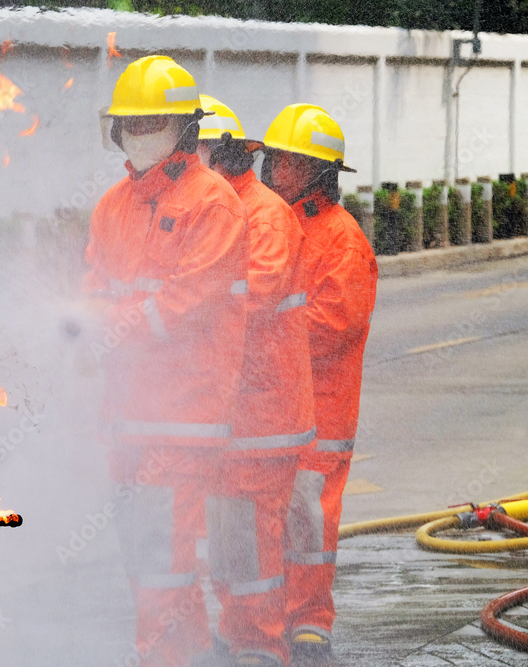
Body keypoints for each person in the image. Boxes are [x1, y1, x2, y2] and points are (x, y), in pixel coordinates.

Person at [84, 56, 250, 666]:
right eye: (131, 122)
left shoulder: (214, 202)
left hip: (185, 410)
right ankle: (190, 648)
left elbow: (187, 301)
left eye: (152, 120)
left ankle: (160, 657)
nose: (139, 132)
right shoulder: (112, 205)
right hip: (126, 411)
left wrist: (109, 329)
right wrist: (79, 327)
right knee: (142, 547)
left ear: (183, 127)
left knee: (163, 545)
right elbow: (94, 285)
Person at [197, 96, 317, 667]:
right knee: (230, 534)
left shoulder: (264, 214)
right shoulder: (217, 207)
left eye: (198, 152)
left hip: (265, 414)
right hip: (232, 413)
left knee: (255, 535)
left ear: (228, 156)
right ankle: (241, 630)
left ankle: (263, 644)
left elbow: (255, 297)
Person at [262, 104, 378, 666]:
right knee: (267, 518)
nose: (273, 168)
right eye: (273, 157)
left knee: (308, 522)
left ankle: (309, 621)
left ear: (316, 169)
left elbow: (333, 324)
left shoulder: (341, 238)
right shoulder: (277, 223)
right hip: (277, 408)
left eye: (285, 159)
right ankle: (269, 618)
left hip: (321, 415)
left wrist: (260, 335)